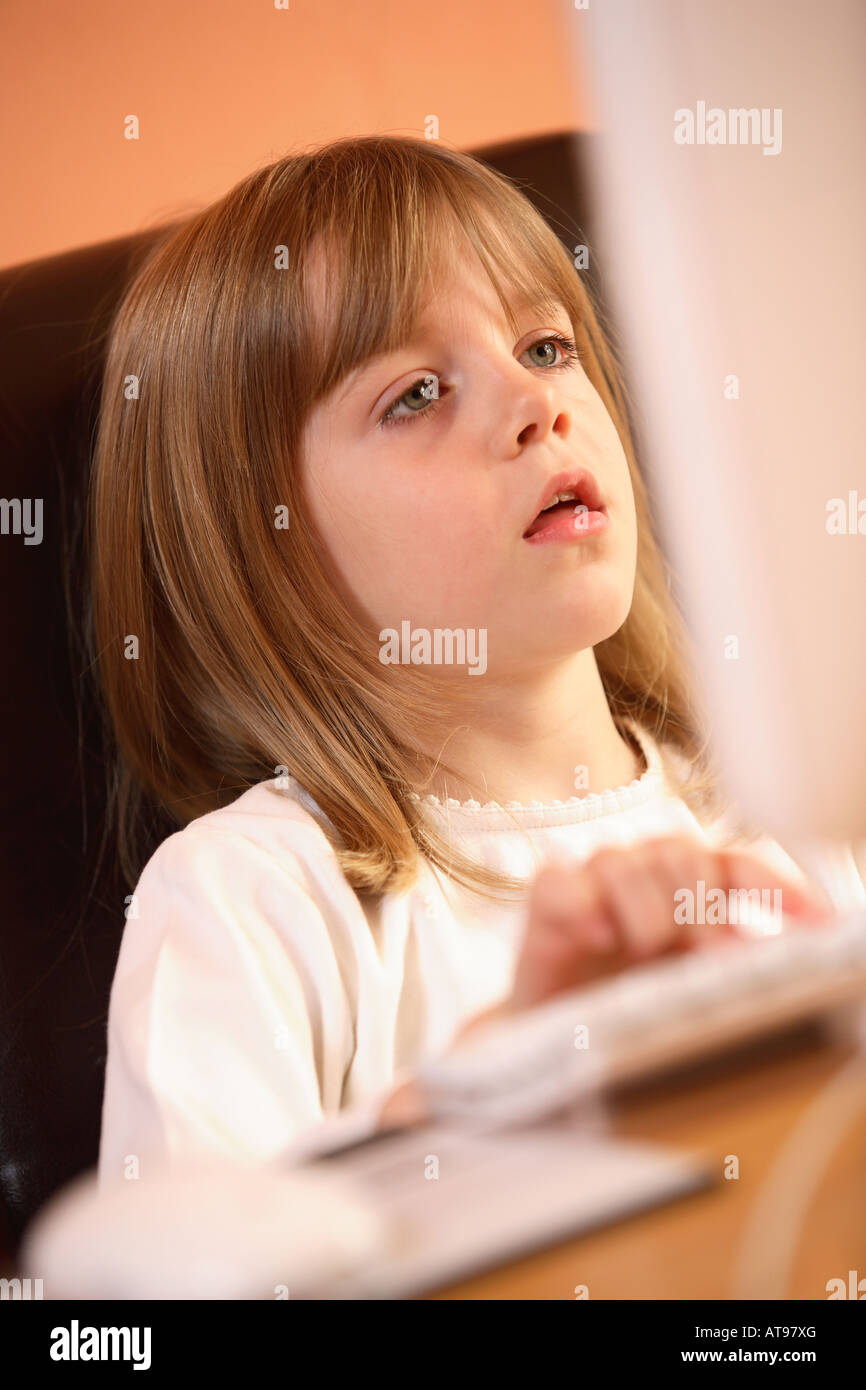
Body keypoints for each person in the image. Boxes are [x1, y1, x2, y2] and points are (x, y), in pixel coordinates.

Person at [89, 135, 864, 1182]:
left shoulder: (799, 813)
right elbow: (172, 1281)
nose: (533, 403)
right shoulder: (253, 898)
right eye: (415, 394)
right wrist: (491, 1087)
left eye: (545, 346)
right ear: (264, 544)